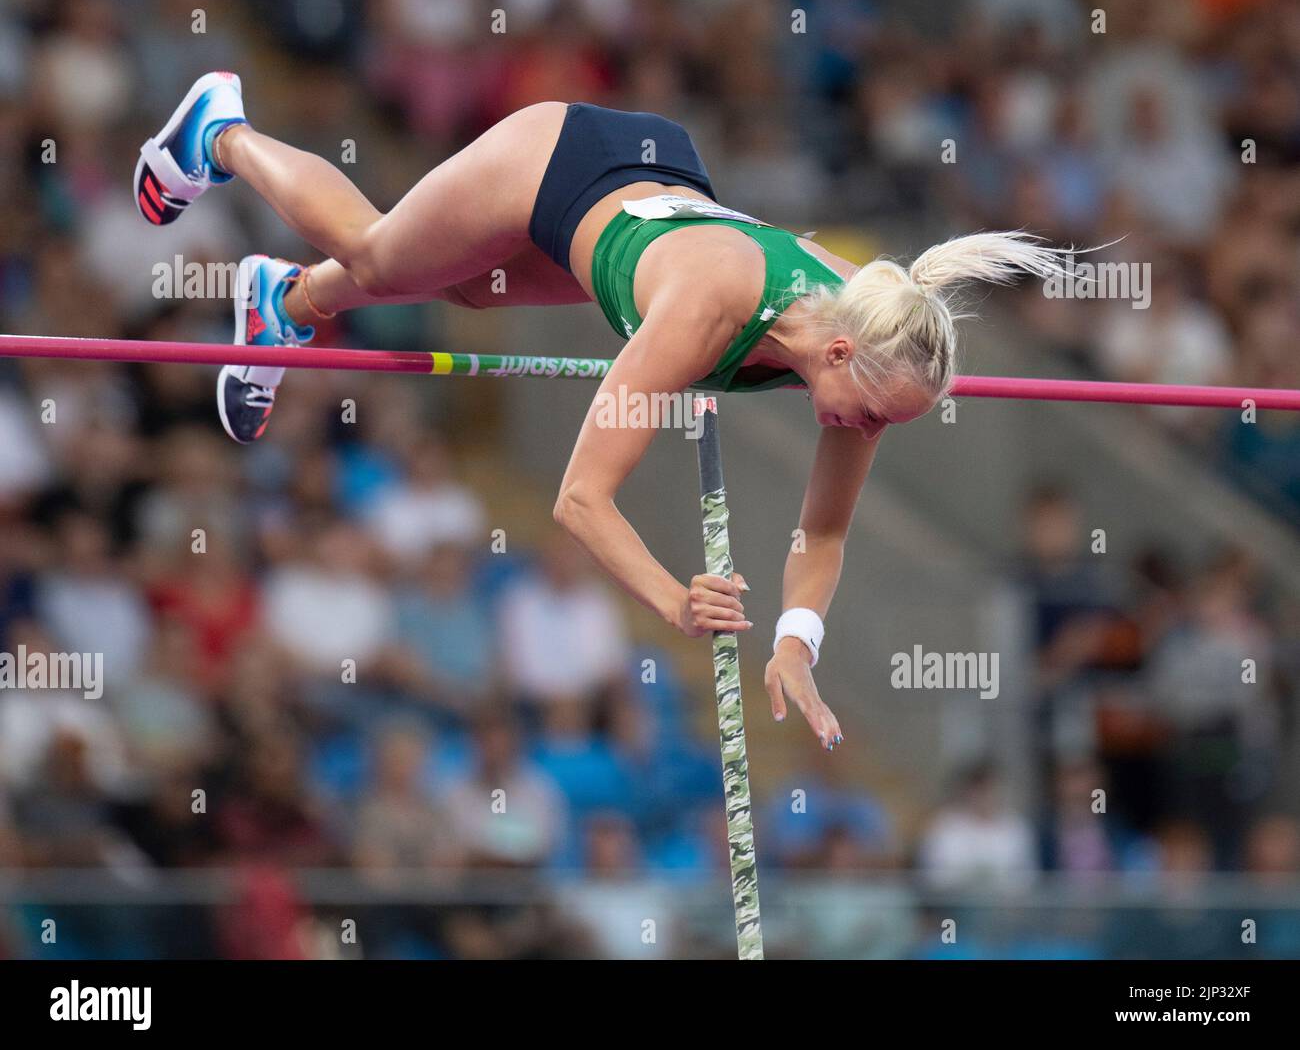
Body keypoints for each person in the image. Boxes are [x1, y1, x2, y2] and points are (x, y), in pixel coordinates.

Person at [135, 72, 1070, 752]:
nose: (865, 436)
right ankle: (222, 132)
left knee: (467, 290)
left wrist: (796, 643)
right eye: (869, 417)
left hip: (657, 181)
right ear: (834, 354)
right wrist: (674, 598)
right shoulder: (708, 308)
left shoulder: (863, 348)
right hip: (559, 160)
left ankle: (285, 303)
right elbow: (581, 496)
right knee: (382, 256)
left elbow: (820, 536)